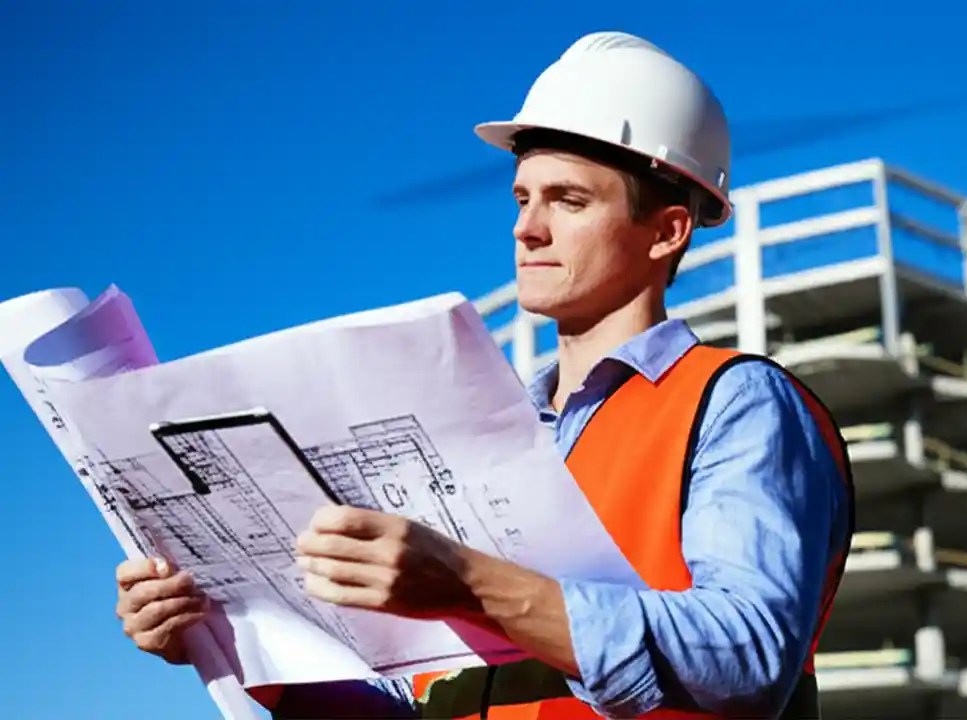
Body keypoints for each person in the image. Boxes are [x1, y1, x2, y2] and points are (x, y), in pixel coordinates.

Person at [113, 31, 854, 718]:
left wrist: (470, 584)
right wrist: (226, 638)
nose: (526, 228)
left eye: (569, 200)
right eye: (523, 198)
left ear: (666, 230)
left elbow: (747, 655)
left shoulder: (734, 402)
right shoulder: (476, 439)